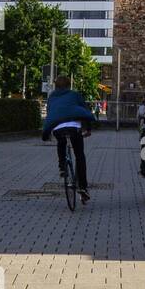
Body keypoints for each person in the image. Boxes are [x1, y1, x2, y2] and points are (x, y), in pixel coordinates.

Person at [41, 75, 97, 204]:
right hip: (74, 128)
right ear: (68, 85)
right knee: (79, 156)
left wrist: (46, 134)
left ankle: (62, 166)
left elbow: (51, 115)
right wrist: (88, 129)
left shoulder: (52, 97)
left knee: (61, 141)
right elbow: (84, 110)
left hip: (58, 127)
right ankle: (82, 187)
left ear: (56, 86)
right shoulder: (75, 95)